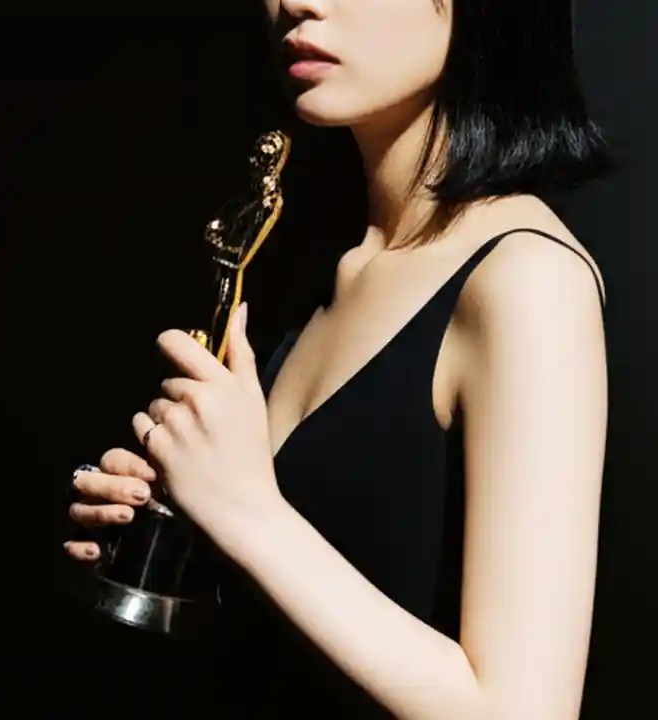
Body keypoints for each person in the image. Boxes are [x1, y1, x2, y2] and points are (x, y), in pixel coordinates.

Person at [63, 1, 611, 717]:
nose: (296, 0)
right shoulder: (323, 258)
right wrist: (169, 538)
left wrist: (246, 511)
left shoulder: (526, 281)